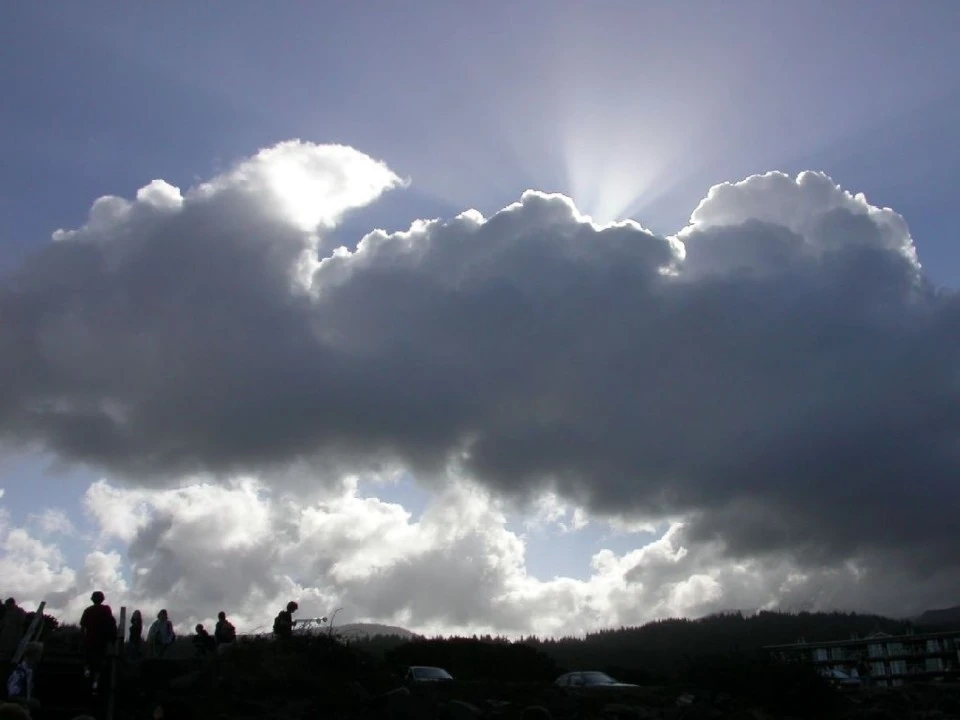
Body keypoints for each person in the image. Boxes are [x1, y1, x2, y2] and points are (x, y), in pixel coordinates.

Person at [79, 591, 117, 691]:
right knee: (98, 663)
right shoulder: (106, 609)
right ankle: (95, 683)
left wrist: (82, 639)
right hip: (101, 640)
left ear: (92, 599)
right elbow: (111, 623)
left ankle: (86, 677)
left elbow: (82, 626)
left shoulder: (88, 610)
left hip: (89, 640)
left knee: (88, 661)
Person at [5, 642, 42, 713]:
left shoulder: (29, 672)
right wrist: (29, 702)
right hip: (17, 712)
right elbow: (12, 695)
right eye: (39, 654)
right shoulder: (19, 673)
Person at [0, 600, 26, 665]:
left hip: (14, 633)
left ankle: (6, 662)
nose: (7, 607)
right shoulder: (8, 611)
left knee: (10, 648)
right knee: (2, 646)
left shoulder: (20, 611)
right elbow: (3, 621)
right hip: (5, 632)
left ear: (12, 604)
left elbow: (21, 622)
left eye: (8, 605)